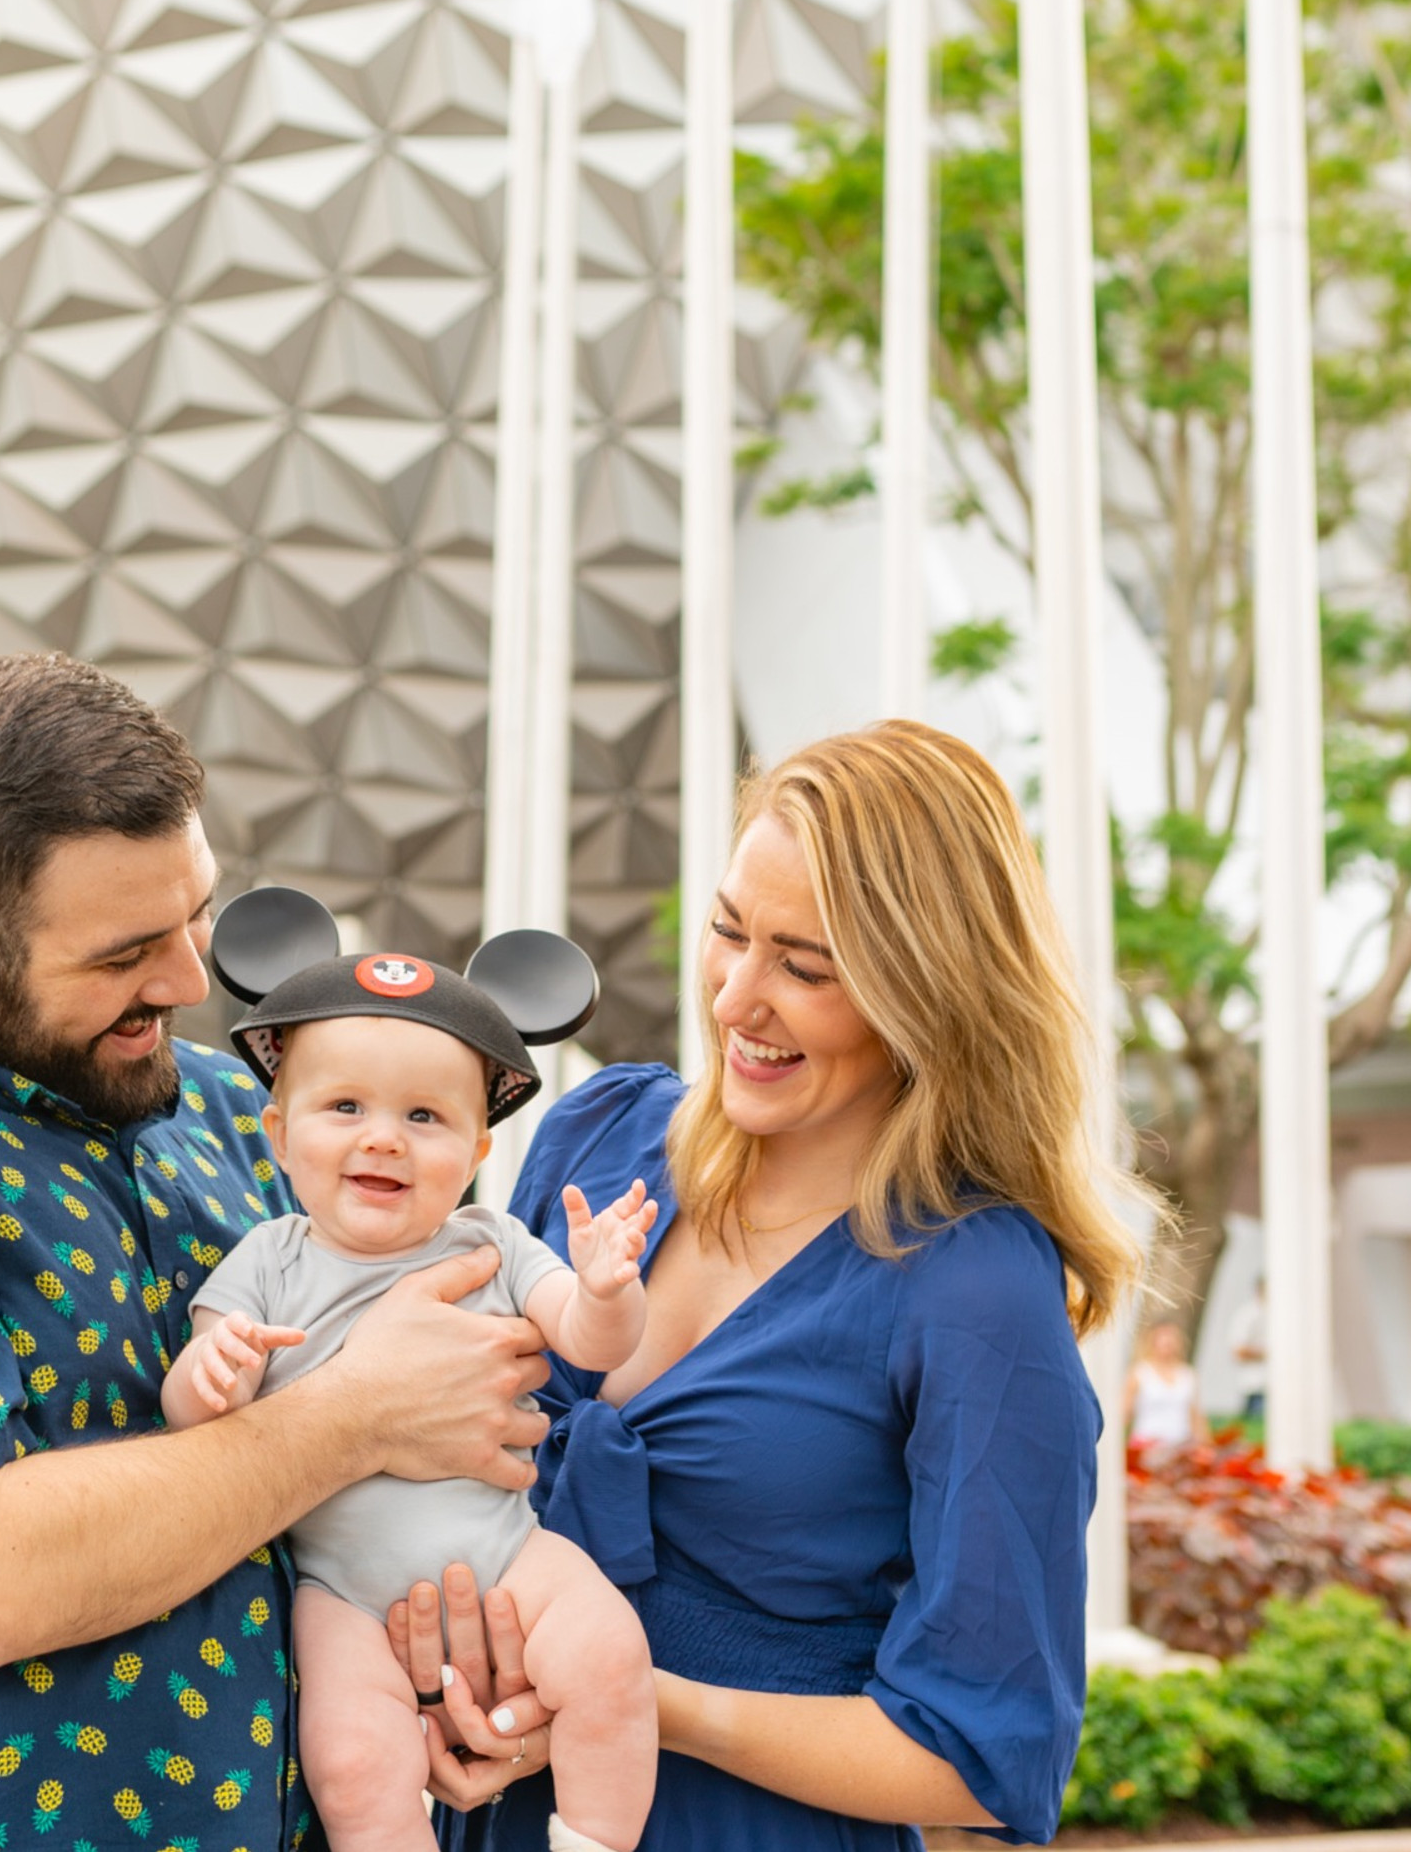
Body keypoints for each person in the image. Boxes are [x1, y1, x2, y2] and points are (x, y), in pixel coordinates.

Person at [0, 654, 559, 1852]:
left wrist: (461, 1676)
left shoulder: (230, 1113)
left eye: (197, 914)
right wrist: (360, 1412)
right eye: (124, 951)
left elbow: (378, 1489)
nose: (191, 979)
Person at [407, 720, 1156, 1851]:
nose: (735, 999)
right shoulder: (599, 1134)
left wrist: (628, 1705)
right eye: (727, 932)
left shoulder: (976, 1286)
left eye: (803, 966)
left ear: (927, 993)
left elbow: (985, 1759)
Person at [166, 901, 660, 1852]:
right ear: (277, 1130)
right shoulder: (268, 1259)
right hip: (343, 1595)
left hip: (510, 1557)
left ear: (478, 1151)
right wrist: (212, 1371)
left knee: (608, 1662)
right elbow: (191, 1414)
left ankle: (594, 1840)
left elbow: (590, 1343)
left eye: (425, 1116)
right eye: (345, 1107)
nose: (384, 1137)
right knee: (353, 1762)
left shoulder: (495, 1242)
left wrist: (604, 1289)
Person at [1124, 1320, 1210, 1450]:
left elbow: (1196, 1417)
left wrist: (1206, 1446)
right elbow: (1124, 1414)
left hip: (1181, 1447)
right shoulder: (1139, 1373)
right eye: (1162, 1337)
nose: (1167, 1342)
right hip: (1146, 1446)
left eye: (1171, 1337)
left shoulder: (1188, 1375)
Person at [1229, 1274, 1269, 1425]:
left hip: (1279, 1386)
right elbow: (1238, 1350)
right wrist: (1268, 1353)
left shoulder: (1280, 1313)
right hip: (1256, 1386)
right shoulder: (1248, 1315)